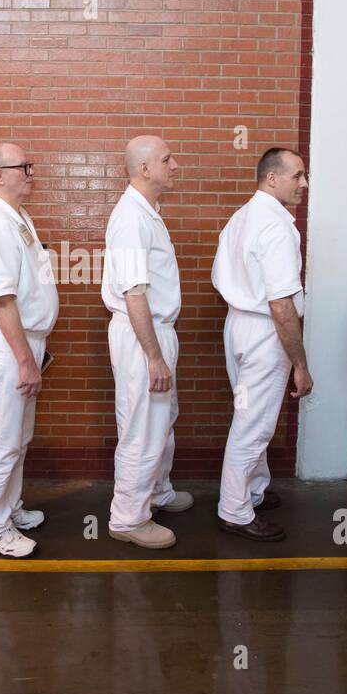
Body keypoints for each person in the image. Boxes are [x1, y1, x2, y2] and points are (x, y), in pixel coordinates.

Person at [211, 147, 312, 541]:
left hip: (239, 325)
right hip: (265, 332)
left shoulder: (241, 217)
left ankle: (251, 490)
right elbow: (281, 303)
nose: (304, 184)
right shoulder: (276, 226)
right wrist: (300, 363)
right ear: (273, 179)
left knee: (250, 415)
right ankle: (235, 510)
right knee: (252, 425)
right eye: (297, 175)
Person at [0, 143, 59, 557]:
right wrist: (24, 359)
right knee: (2, 440)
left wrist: (36, 349)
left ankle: (9, 508)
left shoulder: (17, 217)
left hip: (22, 343)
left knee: (18, 438)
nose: (31, 173)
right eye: (24, 167)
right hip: (6, 347)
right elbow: (2, 299)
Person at [102, 135, 190, 550]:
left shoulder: (147, 212)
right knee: (143, 427)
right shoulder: (131, 218)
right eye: (167, 160)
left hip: (153, 332)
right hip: (143, 336)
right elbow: (133, 293)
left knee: (161, 421)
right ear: (144, 169)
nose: (175, 166)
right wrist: (153, 356)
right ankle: (129, 517)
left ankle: (157, 492)